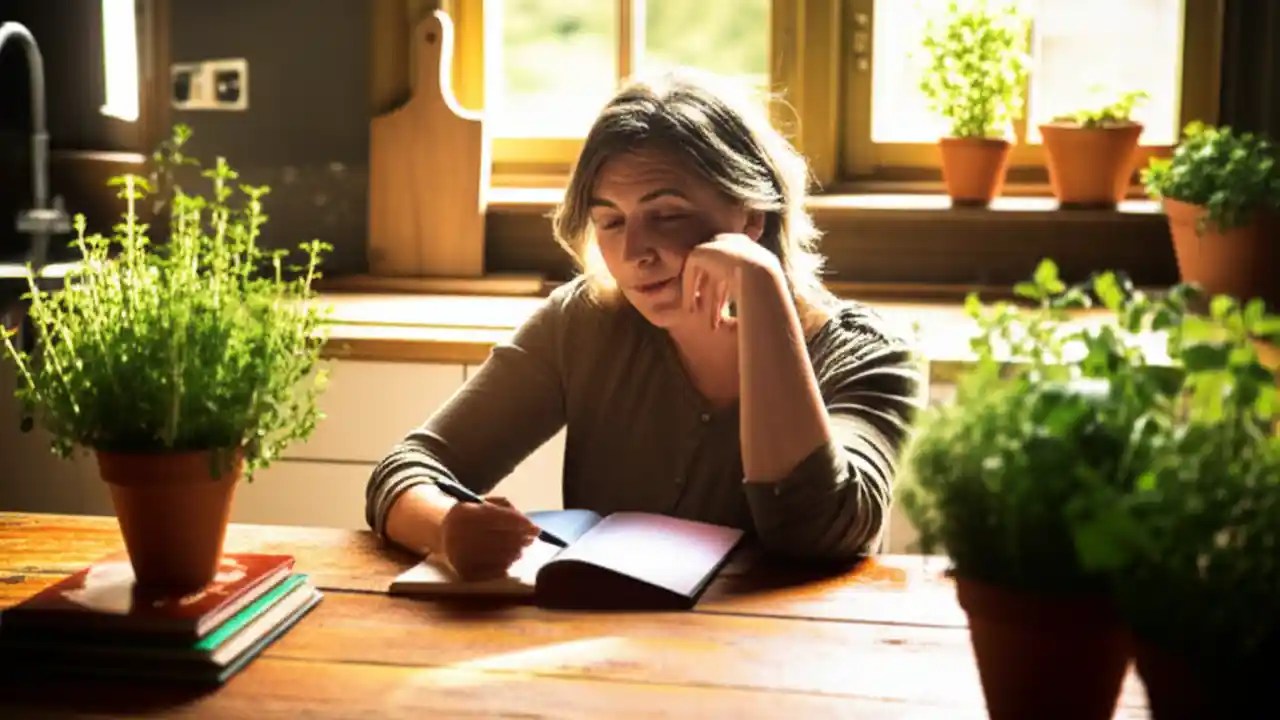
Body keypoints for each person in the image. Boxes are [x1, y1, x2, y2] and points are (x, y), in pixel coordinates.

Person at [366, 70, 921, 579]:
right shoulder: (584, 322)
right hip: (605, 659)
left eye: (667, 214)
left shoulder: (867, 358)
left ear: (751, 215)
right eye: (611, 220)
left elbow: (816, 532)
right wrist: (448, 527)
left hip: (784, 667)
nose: (634, 253)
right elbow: (406, 469)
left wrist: (765, 294)